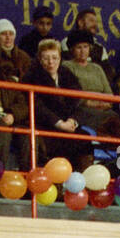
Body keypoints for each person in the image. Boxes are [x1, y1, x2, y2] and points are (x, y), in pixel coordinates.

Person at [31, 38, 89, 167]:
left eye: (54, 58)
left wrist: (72, 121)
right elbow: (38, 107)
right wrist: (59, 124)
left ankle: (82, 183)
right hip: (47, 124)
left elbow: (79, 101)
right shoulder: (32, 76)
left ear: (60, 58)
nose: (51, 62)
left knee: (85, 138)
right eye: (46, 58)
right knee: (57, 143)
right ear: (40, 59)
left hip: (68, 123)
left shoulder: (66, 73)